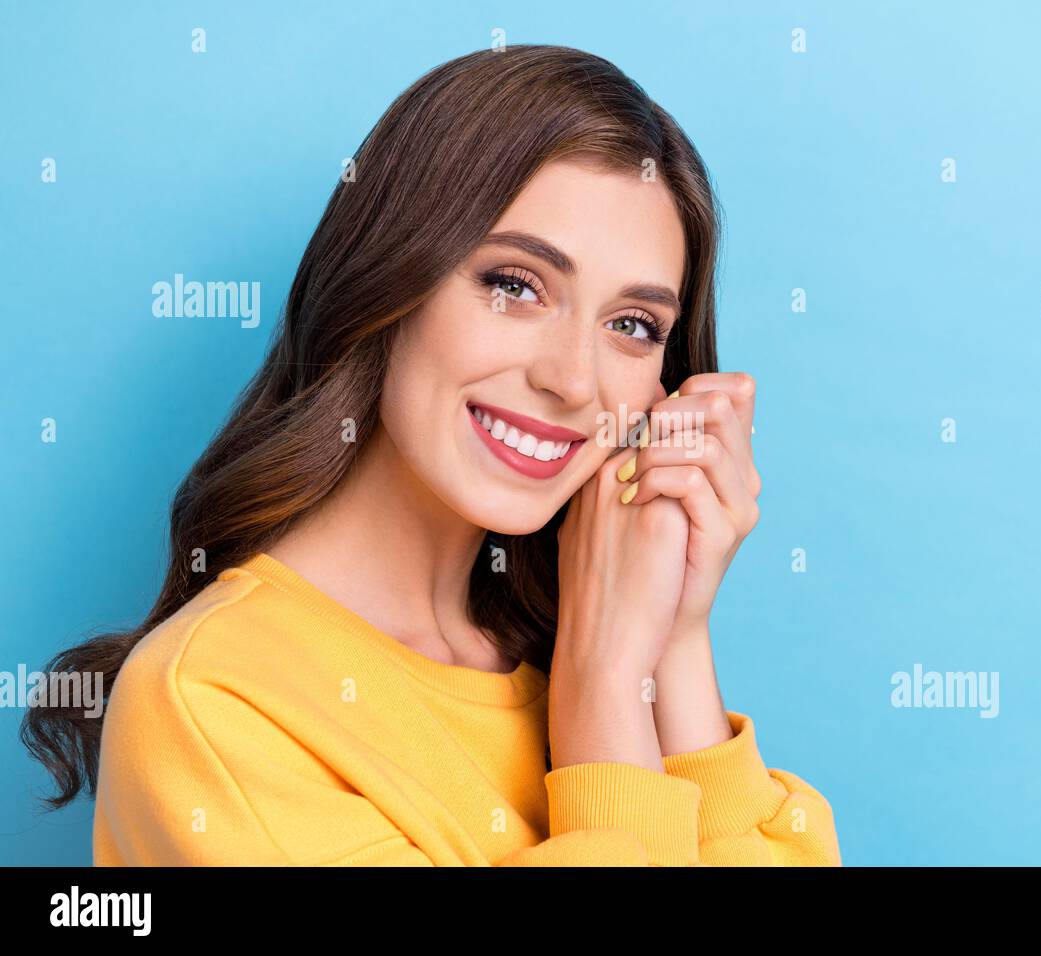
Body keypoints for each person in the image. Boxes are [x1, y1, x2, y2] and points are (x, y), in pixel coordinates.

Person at [23, 44, 841, 866]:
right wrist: (603, 687)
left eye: (632, 325)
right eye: (515, 284)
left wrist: (671, 634)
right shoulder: (216, 705)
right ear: (389, 280)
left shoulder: (580, 643)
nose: (571, 380)